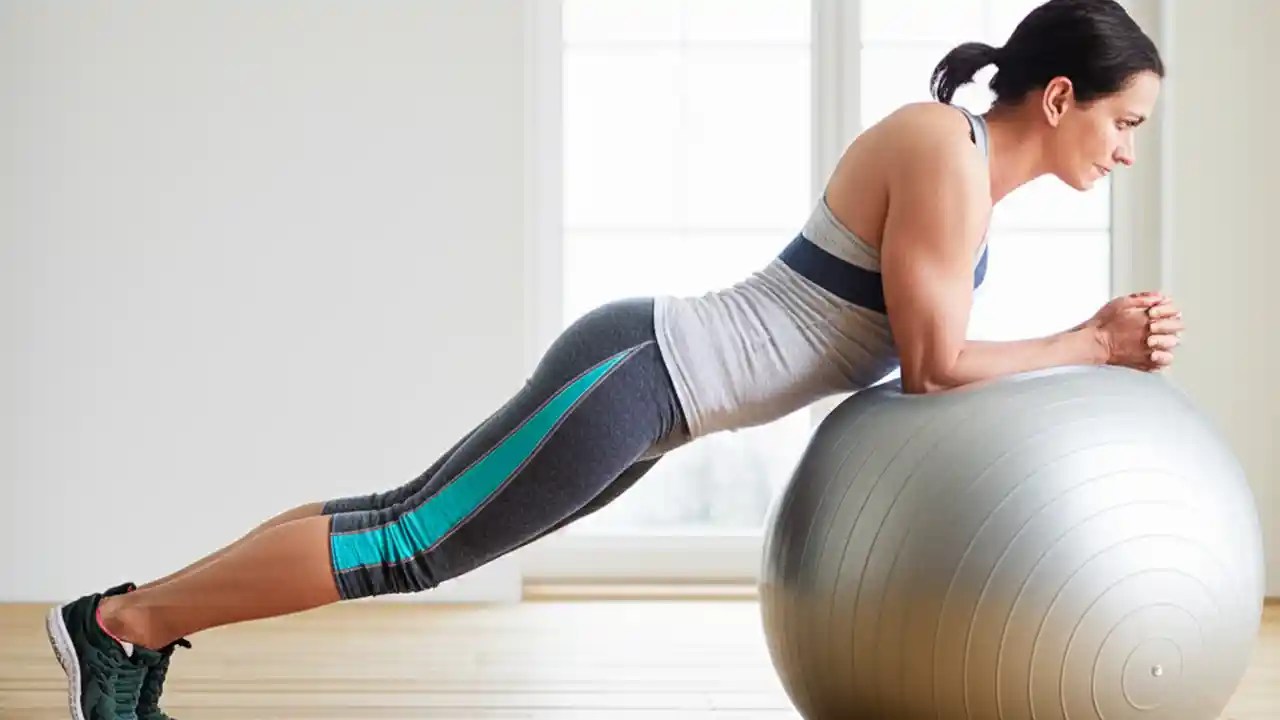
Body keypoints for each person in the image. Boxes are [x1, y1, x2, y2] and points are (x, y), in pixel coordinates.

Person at [45, 1, 1181, 718]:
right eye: (1126, 125)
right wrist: (1088, 341)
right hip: (643, 368)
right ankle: (118, 629)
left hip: (659, 399)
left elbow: (907, 370)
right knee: (406, 543)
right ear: (1060, 95)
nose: (1127, 153)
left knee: (403, 524)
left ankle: (134, 628)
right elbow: (930, 366)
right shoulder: (943, 151)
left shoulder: (968, 181)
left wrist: (1079, 346)